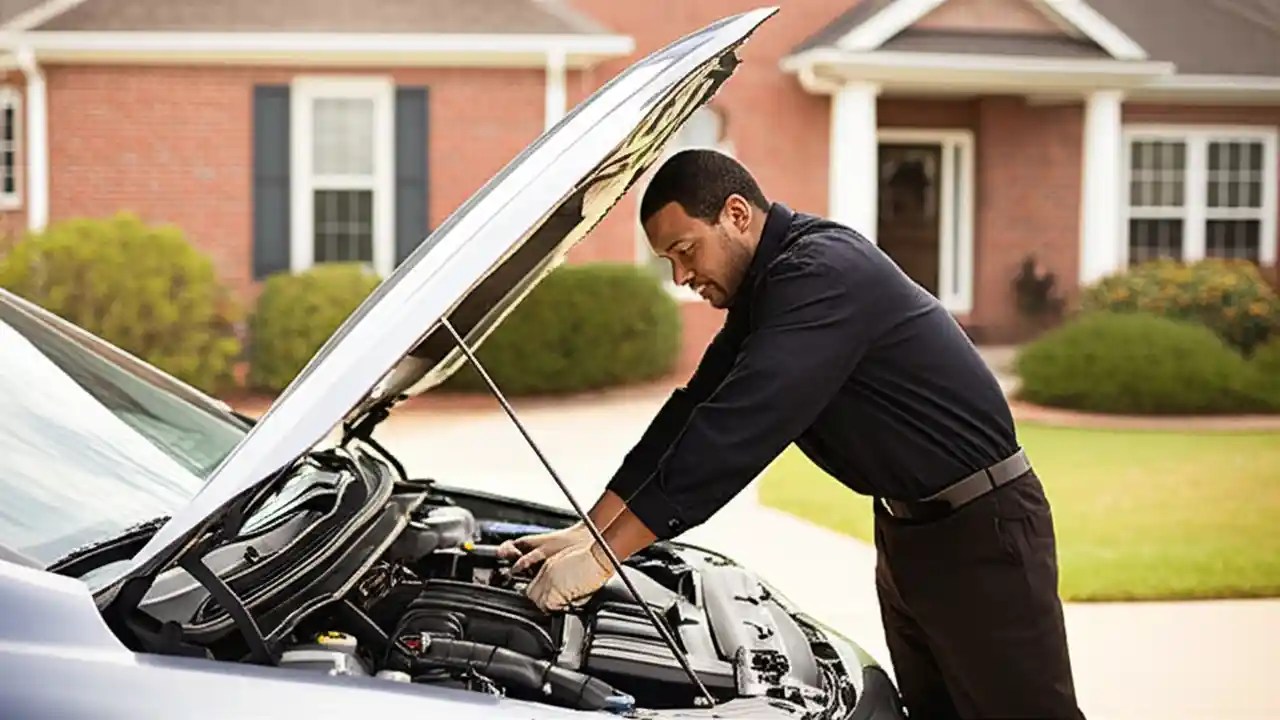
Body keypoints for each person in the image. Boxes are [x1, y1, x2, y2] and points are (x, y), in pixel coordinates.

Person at [497, 148, 1083, 719]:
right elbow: (692, 413)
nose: (681, 277)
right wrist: (585, 530)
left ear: (736, 214)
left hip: (983, 533)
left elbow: (736, 430)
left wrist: (605, 559)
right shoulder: (768, 293)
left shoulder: (822, 274)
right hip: (912, 537)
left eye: (685, 250)